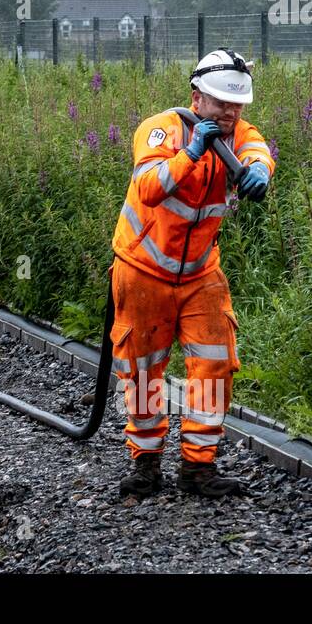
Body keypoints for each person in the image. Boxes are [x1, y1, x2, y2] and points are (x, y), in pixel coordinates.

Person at [111, 49, 274, 499]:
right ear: (197, 97)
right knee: (143, 370)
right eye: (221, 102)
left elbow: (258, 151)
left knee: (214, 366)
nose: (229, 112)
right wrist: (189, 154)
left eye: (237, 105)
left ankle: (198, 469)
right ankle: (145, 465)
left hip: (202, 274)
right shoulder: (161, 129)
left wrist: (259, 170)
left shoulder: (240, 134)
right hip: (143, 271)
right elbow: (147, 187)